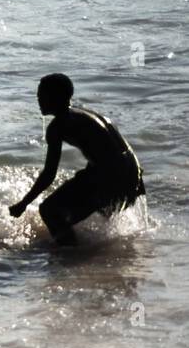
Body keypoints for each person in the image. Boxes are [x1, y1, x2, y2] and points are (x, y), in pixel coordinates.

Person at [8, 73, 145, 244]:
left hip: (112, 175)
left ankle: (70, 257)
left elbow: (49, 174)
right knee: (73, 212)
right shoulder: (82, 113)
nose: (38, 99)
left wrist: (23, 203)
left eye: (42, 95)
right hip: (132, 171)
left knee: (49, 210)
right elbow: (107, 149)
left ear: (56, 97)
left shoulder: (59, 125)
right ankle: (89, 255)